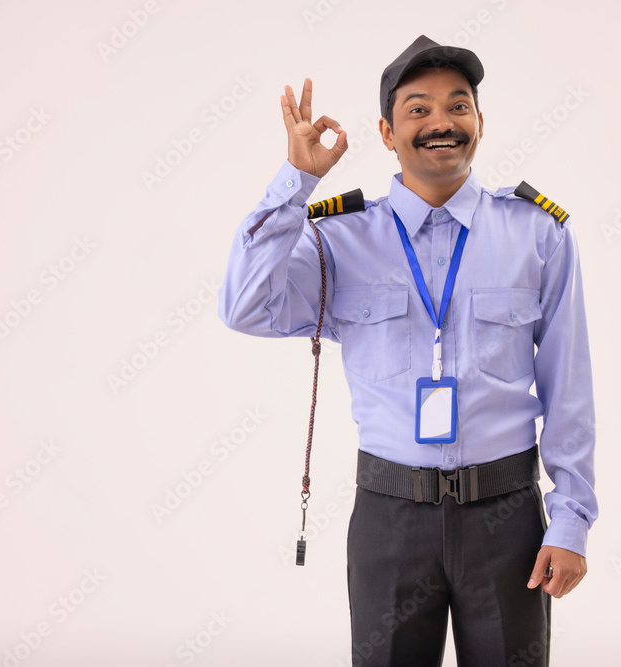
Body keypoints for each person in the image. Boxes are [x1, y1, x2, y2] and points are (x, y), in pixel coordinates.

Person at [218, 34, 597, 666]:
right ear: (387, 134)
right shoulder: (339, 238)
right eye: (417, 109)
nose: (441, 122)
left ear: (480, 123)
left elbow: (570, 387)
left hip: (507, 519)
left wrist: (571, 518)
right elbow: (244, 306)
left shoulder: (538, 233)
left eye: (458, 105)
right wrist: (296, 184)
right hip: (390, 519)